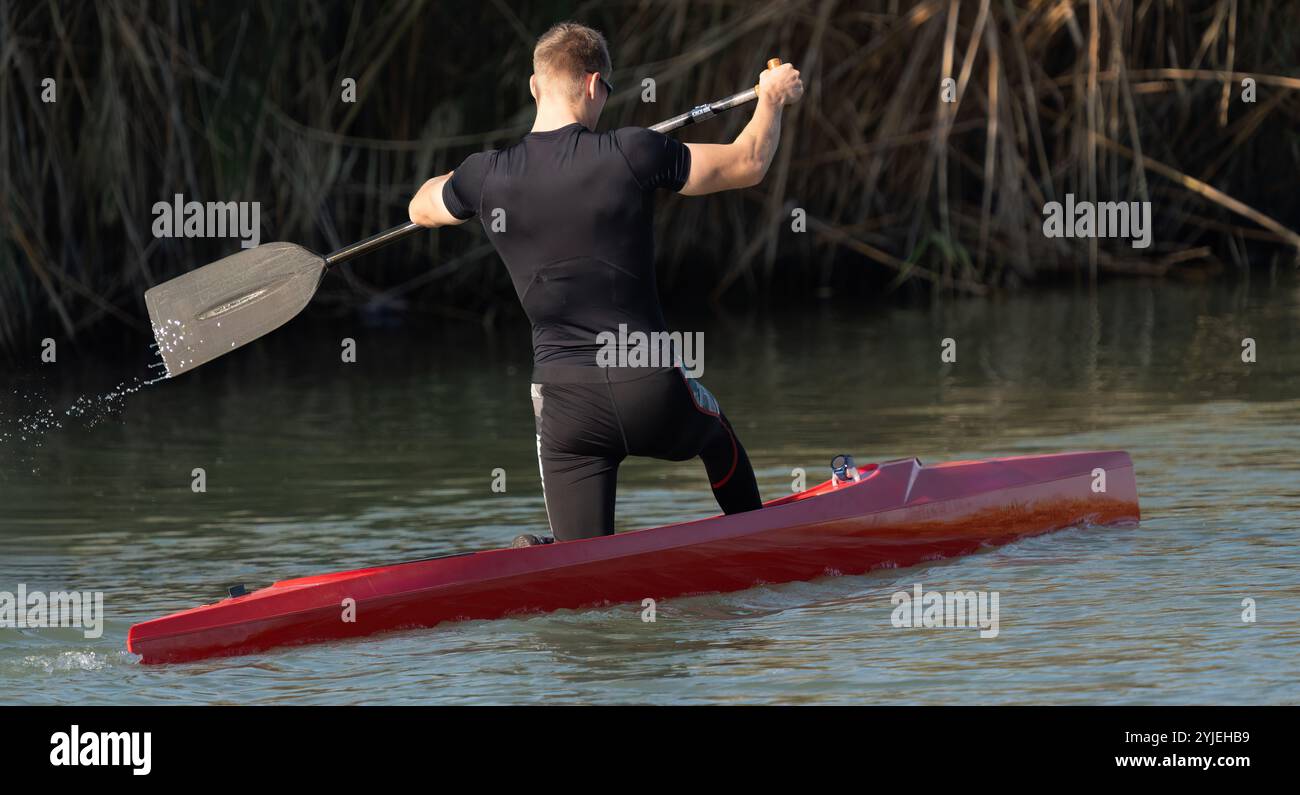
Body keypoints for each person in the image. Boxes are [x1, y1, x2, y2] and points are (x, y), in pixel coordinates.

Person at [409, 22, 804, 542]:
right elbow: (749, 161)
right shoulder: (633, 152)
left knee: (582, 571)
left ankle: (559, 564)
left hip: (565, 409)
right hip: (648, 387)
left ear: (534, 86)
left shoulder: (485, 175)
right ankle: (761, 546)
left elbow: (420, 207)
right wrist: (771, 99)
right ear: (595, 85)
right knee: (718, 438)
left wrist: (458, 187)